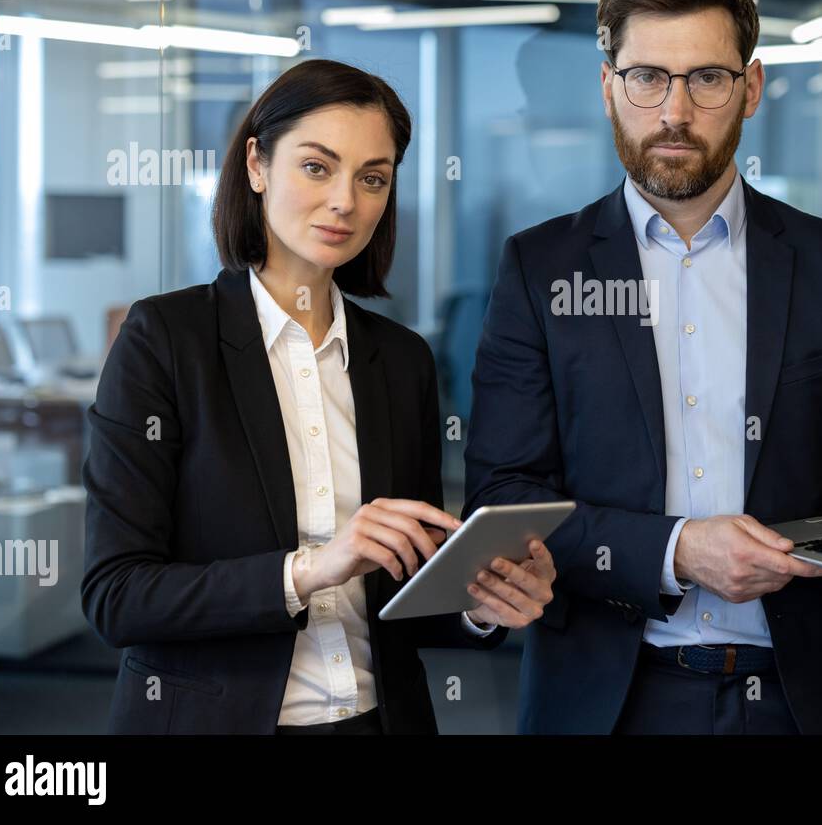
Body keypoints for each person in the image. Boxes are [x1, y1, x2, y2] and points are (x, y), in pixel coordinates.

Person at [463, 0, 822, 734]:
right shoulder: (541, 267)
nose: (675, 111)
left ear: (751, 87)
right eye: (647, 77)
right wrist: (677, 551)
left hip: (806, 700)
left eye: (707, 78)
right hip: (609, 701)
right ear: (609, 87)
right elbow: (505, 498)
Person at [82, 59, 555, 734]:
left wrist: (481, 603)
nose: (345, 201)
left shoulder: (401, 360)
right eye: (316, 167)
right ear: (257, 164)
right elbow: (117, 596)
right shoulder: (165, 340)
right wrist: (310, 570)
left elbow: (403, 595)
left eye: (372, 178)